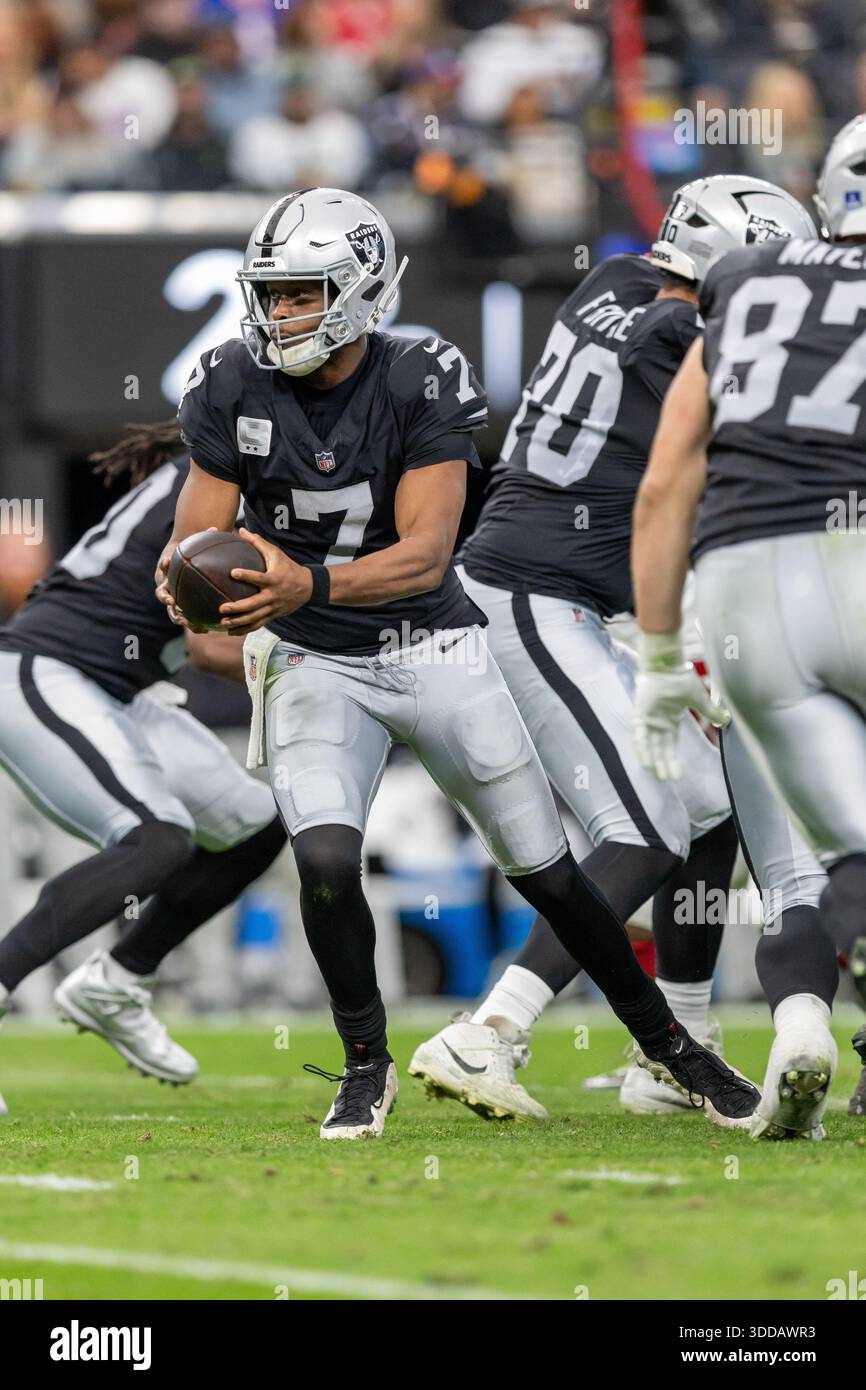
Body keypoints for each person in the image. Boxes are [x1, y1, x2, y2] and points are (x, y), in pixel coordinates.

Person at [159, 185, 758, 1140]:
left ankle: (674, 1050)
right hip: (317, 661)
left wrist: (302, 585)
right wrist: (198, 591)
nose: (282, 314)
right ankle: (364, 1067)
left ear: (359, 290)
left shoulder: (421, 373)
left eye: (304, 293)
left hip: (434, 645)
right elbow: (196, 547)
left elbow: (427, 552)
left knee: (552, 873)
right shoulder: (230, 381)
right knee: (322, 860)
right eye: (272, 294)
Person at [411, 176, 816, 1124]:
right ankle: (489, 1033)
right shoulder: (686, 339)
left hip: (562, 600)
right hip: (530, 599)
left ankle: (672, 1043)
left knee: (709, 808)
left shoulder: (620, 281)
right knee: (644, 830)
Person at [631, 115, 866, 1139]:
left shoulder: (743, 280)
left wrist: (652, 653)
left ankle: (801, 1025)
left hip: (735, 597)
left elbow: (661, 487)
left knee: (821, 860)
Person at [0, 422, 286, 1113]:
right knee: (155, 839)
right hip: (47, 671)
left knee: (253, 828)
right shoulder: (230, 483)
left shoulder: (224, 469)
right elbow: (214, 650)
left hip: (119, 688)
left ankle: (118, 978)